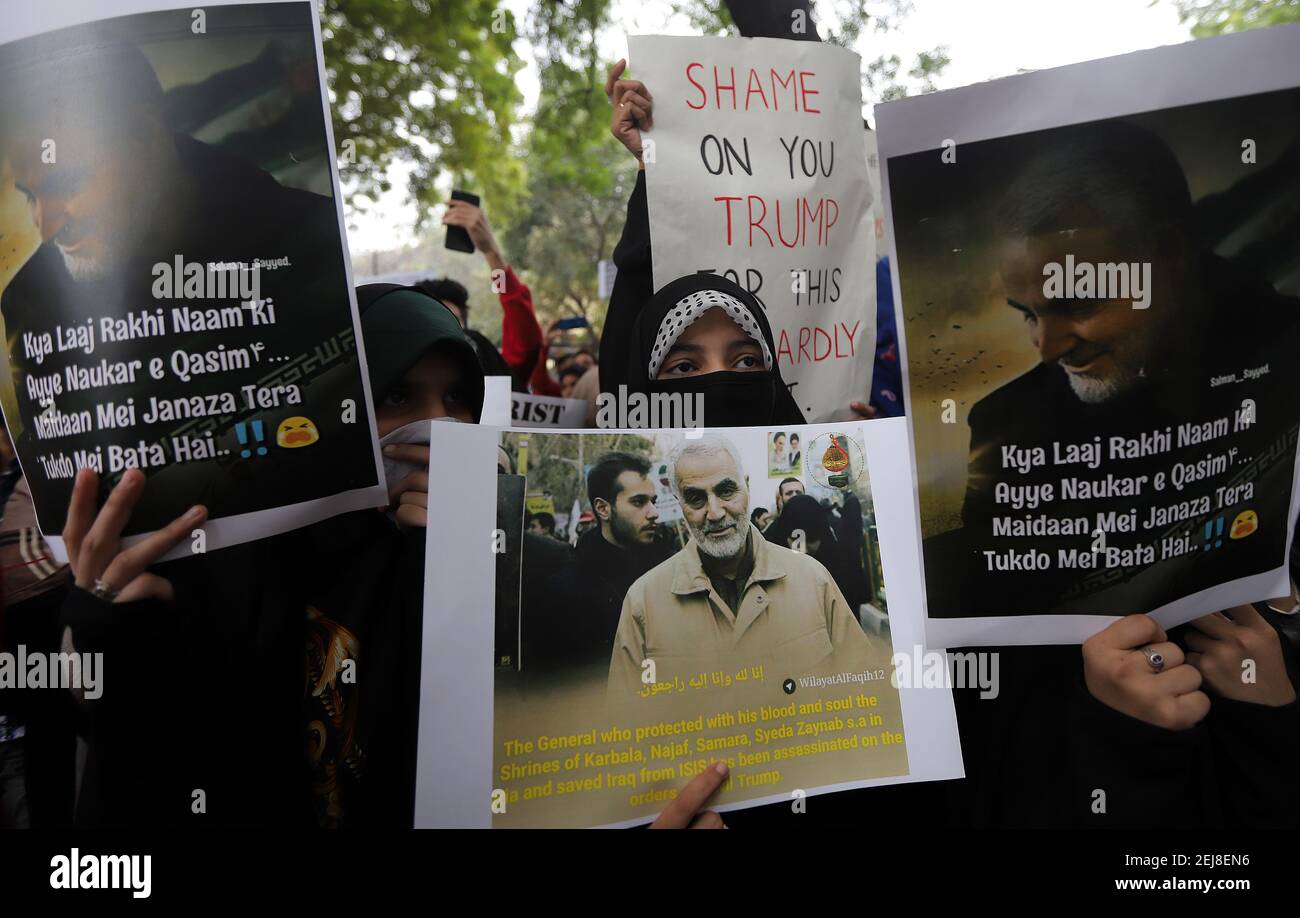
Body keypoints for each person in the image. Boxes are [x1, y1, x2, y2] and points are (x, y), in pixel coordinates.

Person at [0, 30, 374, 531]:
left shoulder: (308, 241)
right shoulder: (29, 303)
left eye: (66, 184)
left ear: (148, 128)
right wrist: (91, 588)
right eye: (30, 196)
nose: (47, 226)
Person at [927, 120, 1300, 619]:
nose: (1047, 349)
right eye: (1028, 314)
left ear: (1169, 256)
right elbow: (1000, 625)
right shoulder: (1007, 430)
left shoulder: (1287, 351)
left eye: (1078, 304)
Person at [599, 60, 873, 424]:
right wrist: (652, 158)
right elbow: (632, 296)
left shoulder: (823, 478)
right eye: (683, 368)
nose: (720, 382)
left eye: (746, 361)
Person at [608, 434, 876, 696]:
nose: (714, 512)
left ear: (746, 485)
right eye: (696, 498)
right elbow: (625, 725)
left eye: (726, 491)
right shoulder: (643, 603)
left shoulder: (812, 579)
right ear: (680, 504)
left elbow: (865, 691)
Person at [529, 452, 673, 676]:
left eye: (653, 501)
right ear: (603, 509)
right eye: (638, 502)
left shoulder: (670, 574)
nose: (653, 513)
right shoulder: (564, 590)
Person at [432, 197, 548, 392]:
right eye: (434, 323)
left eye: (451, 323)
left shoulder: (493, 376)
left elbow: (525, 344)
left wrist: (491, 253)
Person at [764, 494, 866, 614]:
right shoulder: (768, 568)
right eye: (797, 540)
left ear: (822, 535)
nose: (804, 549)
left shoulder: (838, 567)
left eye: (811, 540)